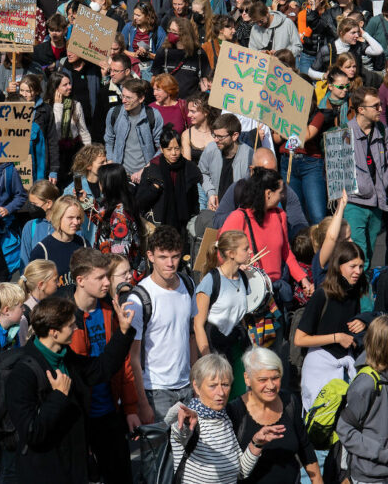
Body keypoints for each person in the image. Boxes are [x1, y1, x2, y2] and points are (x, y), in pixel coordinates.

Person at [5, 293, 137, 483]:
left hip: (74, 466)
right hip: (45, 472)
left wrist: (123, 332)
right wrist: (58, 396)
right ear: (54, 332)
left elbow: (101, 369)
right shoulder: (22, 373)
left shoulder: (66, 357)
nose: (76, 329)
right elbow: (32, 432)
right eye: (71, 325)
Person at [67, 249, 140, 484]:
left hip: (110, 411)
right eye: (100, 278)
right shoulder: (65, 316)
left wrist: (130, 408)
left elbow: (124, 361)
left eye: (108, 276)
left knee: (121, 476)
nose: (107, 282)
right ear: (80, 280)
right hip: (80, 417)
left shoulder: (110, 309)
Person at [167, 353, 283, 483]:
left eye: (225, 385)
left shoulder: (225, 419)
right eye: (213, 385)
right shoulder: (190, 419)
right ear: (196, 387)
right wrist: (185, 422)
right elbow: (179, 432)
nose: (221, 392)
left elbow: (241, 472)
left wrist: (256, 443)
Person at [294, 241, 375, 412]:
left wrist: (363, 320)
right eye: (352, 266)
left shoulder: (354, 292)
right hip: (320, 371)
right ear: (339, 266)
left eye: (361, 267)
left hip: (345, 370)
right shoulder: (321, 295)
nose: (358, 272)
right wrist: (337, 337)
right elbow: (300, 339)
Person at [127, 226, 196, 423]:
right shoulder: (139, 299)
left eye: (175, 257)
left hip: (187, 388)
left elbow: (191, 336)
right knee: (158, 453)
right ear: (150, 256)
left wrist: (195, 382)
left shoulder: (188, 285)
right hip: (155, 392)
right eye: (163, 257)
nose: (170, 263)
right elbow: (133, 356)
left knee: (186, 452)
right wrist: (142, 402)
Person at [226, 346, 322, 483]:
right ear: (247, 379)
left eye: (275, 378)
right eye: (263, 380)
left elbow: (305, 448)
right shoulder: (235, 412)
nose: (271, 386)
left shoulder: (290, 402)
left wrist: (317, 480)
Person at [219, 167, 314, 307]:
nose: (283, 196)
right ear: (268, 193)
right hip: (249, 293)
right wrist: (238, 265)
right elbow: (221, 253)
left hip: (275, 294)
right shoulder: (238, 217)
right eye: (280, 193)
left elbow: (286, 253)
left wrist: (303, 279)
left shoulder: (279, 215)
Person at [334, 315, 388, 484]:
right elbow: (344, 429)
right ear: (380, 343)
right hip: (369, 476)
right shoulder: (366, 383)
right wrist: (382, 453)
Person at [342, 87, 388, 265]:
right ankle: (363, 293)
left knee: (371, 254)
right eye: (375, 106)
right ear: (361, 109)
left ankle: (365, 290)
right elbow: (335, 169)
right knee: (360, 255)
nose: (381, 110)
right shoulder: (344, 132)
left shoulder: (383, 131)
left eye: (380, 105)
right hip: (354, 203)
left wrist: (384, 180)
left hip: (377, 203)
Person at [193, 231, 252, 380]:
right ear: (231, 253)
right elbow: (198, 325)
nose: (250, 252)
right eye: (245, 249)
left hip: (237, 348)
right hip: (215, 351)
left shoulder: (243, 278)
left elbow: (241, 317)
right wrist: (208, 361)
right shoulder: (211, 280)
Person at [136, 124, 202, 232]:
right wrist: (155, 188)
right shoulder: (152, 170)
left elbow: (194, 199)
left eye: (177, 148)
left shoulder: (189, 169)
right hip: (157, 225)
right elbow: (140, 201)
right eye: (169, 149)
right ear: (162, 149)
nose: (174, 153)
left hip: (182, 225)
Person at [104, 78, 164, 184]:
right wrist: (111, 161)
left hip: (145, 175)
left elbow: (161, 148)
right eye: (123, 96)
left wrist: (145, 169)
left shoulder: (153, 115)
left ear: (141, 98)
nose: (123, 100)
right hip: (120, 175)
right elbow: (109, 139)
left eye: (129, 98)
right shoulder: (114, 113)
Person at [200, 113, 254, 212]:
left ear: (234, 136)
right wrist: (210, 193)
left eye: (220, 137)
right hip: (215, 210)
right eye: (214, 135)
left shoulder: (249, 155)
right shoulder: (211, 149)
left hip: (238, 212)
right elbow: (202, 172)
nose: (216, 140)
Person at [29, 196, 89, 282]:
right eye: (70, 218)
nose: (76, 222)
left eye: (78, 218)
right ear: (58, 217)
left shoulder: (84, 244)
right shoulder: (42, 251)